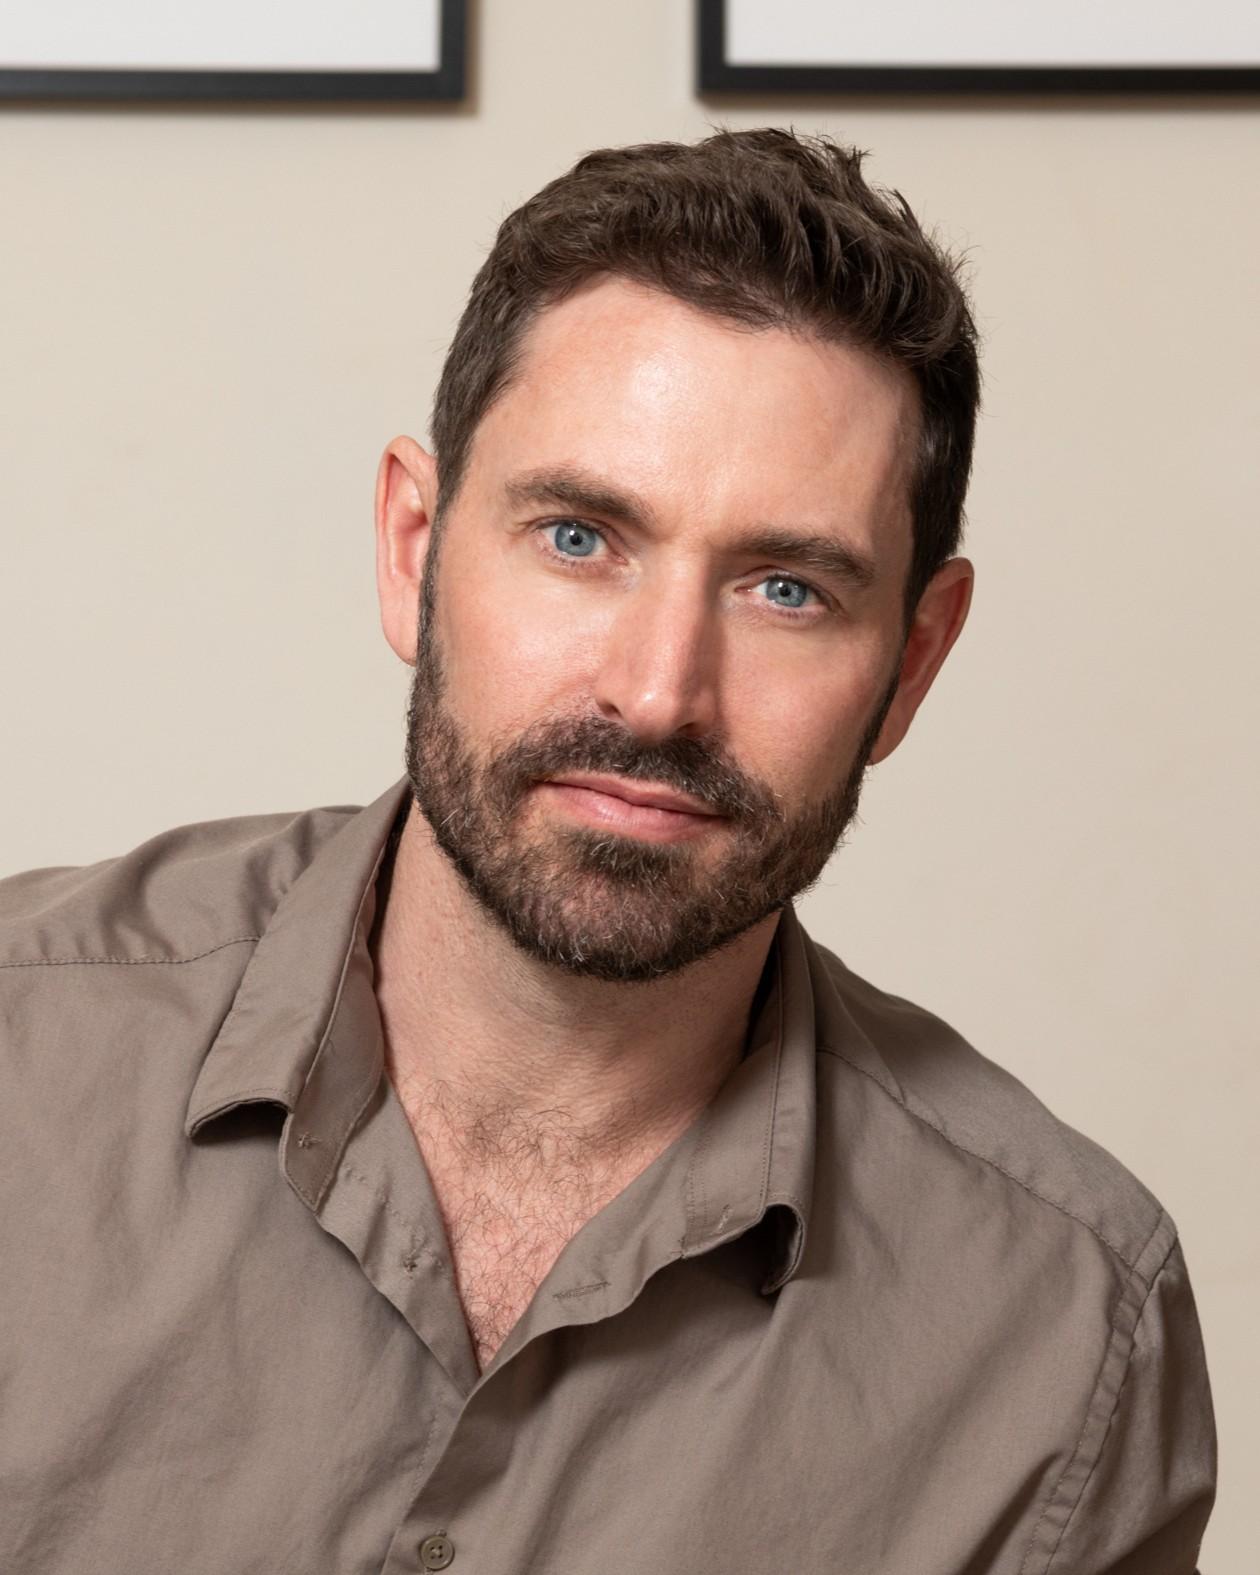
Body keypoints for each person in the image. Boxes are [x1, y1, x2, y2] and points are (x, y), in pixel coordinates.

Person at [0, 129, 1214, 1574]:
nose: (657, 694)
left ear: (913, 660)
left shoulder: (1067, 1337)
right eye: (580, 538)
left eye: (786, 588)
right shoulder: (25, 1055)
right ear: (412, 546)